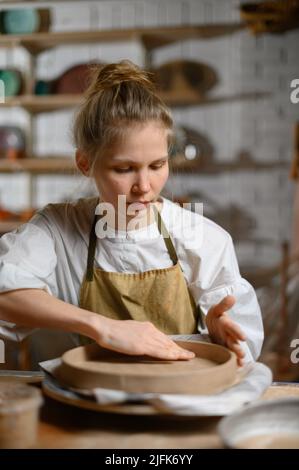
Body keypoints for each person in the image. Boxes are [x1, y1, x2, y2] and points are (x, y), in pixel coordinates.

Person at [0, 60, 263, 368]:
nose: (144, 186)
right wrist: (103, 327)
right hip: (87, 401)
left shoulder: (202, 237)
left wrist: (221, 338)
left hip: (176, 402)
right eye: (124, 169)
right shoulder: (57, 229)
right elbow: (5, 295)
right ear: (85, 163)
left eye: (157, 165)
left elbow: (243, 351)